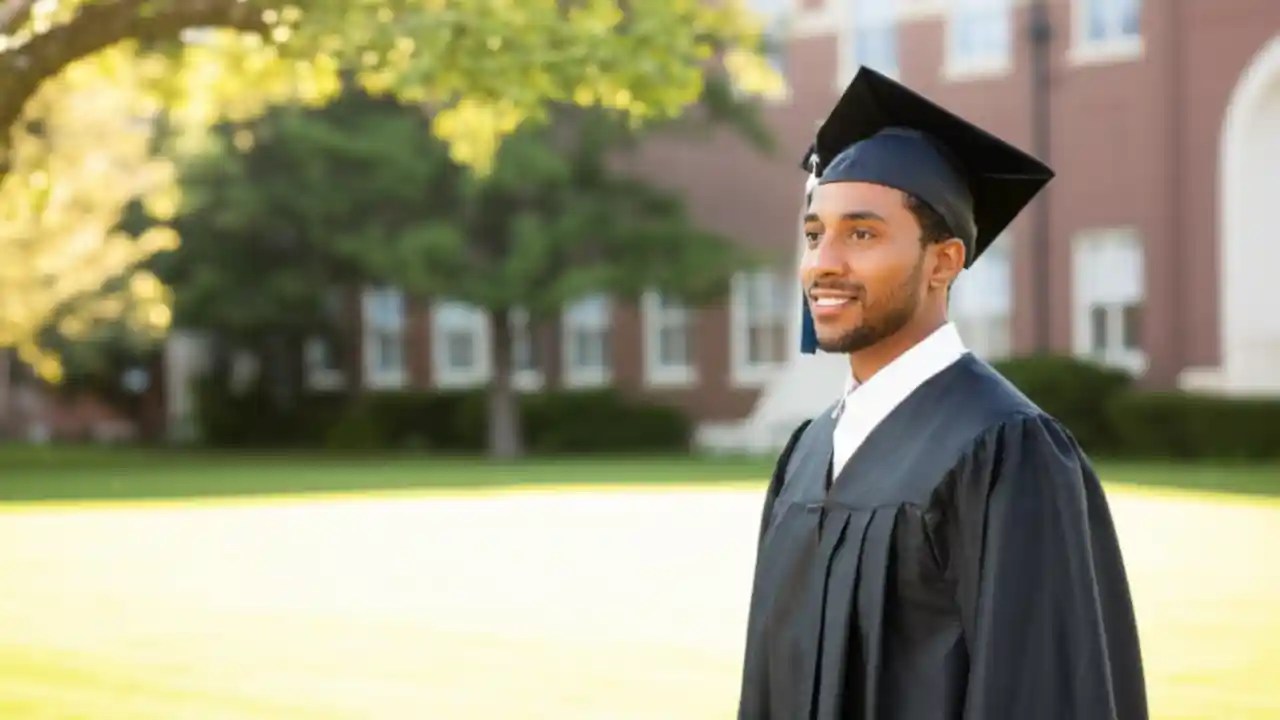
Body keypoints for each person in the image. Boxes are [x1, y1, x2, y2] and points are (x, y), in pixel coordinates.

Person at [736, 67, 1147, 719]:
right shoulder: (808, 452)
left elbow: (1043, 695)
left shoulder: (1007, 452)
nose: (824, 262)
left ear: (944, 261)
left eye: (862, 233)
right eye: (816, 234)